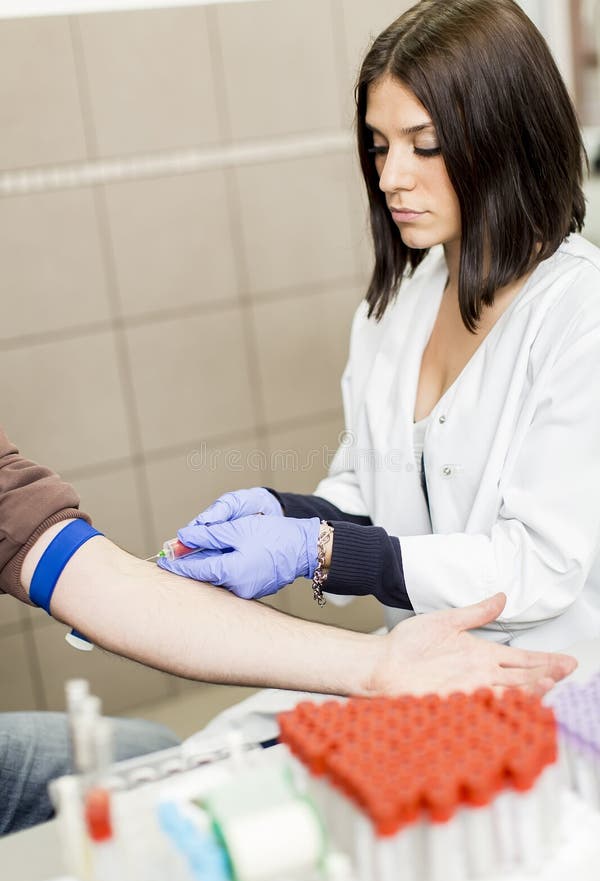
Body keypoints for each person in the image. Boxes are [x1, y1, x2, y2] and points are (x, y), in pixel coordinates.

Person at [158, 0, 600, 652]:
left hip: (559, 689)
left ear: (509, 137)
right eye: (378, 145)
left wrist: (325, 550)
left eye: (427, 145)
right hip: (425, 673)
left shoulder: (579, 315)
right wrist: (291, 516)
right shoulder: (397, 306)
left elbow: (537, 565)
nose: (391, 177)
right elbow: (374, 486)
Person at [0, 423, 575, 834]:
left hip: (545, 642)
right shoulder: (399, 302)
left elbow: (87, 574)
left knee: (151, 754)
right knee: (165, 782)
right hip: (440, 640)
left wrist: (300, 524)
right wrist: (322, 549)